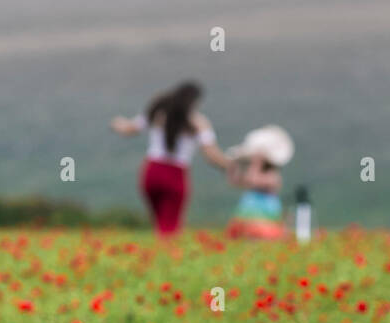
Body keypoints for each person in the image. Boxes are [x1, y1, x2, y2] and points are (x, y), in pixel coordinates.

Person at [110, 82, 231, 235]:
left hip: (151, 172)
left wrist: (115, 123)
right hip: (175, 174)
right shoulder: (198, 122)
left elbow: (128, 129)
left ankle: (159, 251)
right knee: (170, 225)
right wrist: (229, 165)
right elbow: (212, 155)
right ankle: (167, 255)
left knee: (159, 221)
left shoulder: (157, 113)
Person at [225, 125, 294, 240]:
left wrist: (256, 162)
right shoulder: (253, 171)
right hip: (248, 210)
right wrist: (233, 165)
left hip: (265, 212)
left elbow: (253, 181)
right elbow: (234, 182)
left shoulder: (273, 174)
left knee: (261, 235)